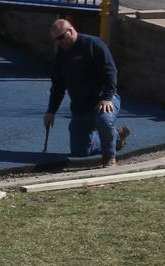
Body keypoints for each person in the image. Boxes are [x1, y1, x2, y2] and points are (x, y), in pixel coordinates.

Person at [44, 18, 130, 166]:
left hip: (103, 99)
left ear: (70, 31)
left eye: (61, 38)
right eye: (56, 40)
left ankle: (109, 157)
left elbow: (110, 71)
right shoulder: (62, 55)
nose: (59, 42)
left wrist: (107, 97)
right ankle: (116, 136)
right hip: (81, 106)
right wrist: (51, 111)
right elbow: (58, 85)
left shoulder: (93, 44)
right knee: (79, 151)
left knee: (104, 118)